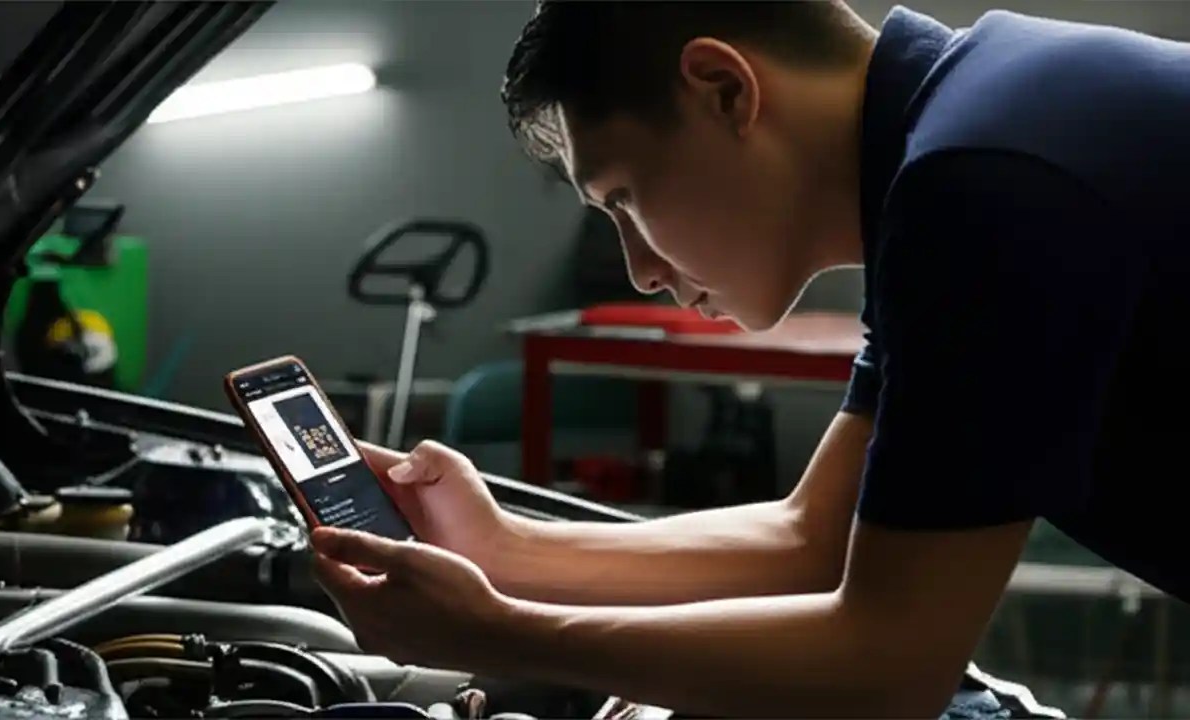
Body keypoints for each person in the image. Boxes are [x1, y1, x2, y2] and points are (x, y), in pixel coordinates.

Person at [309, 2, 1190, 716]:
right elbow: (811, 539)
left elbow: (890, 669)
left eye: (623, 199)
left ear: (725, 89)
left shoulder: (983, 182)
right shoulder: (958, 140)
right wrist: (500, 545)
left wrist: (501, 635)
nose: (641, 271)